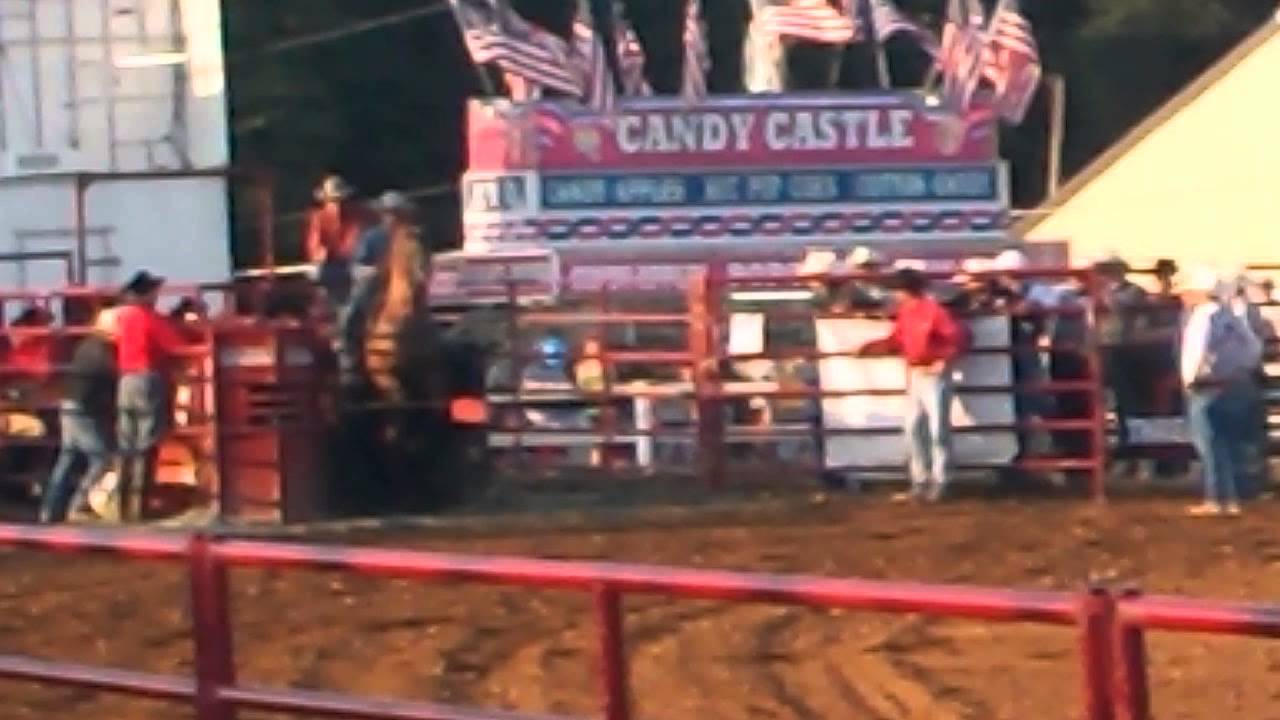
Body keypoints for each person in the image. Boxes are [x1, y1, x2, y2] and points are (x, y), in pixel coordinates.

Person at [859, 268, 970, 502]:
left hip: (927, 371)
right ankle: (927, 480)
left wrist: (943, 360)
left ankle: (932, 480)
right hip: (921, 372)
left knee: (931, 428)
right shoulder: (916, 312)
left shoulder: (930, 312)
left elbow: (957, 337)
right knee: (919, 427)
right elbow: (900, 339)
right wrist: (875, 346)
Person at [1180, 268, 1263, 517]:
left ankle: (1216, 499)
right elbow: (1253, 348)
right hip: (1233, 384)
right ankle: (1229, 498)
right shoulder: (1231, 315)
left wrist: (1192, 379)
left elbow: (1195, 351)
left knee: (1209, 444)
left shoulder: (1202, 316)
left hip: (1208, 387)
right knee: (1226, 443)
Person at [113, 271, 189, 522]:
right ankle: (139, 506)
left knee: (127, 443)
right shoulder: (149, 317)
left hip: (126, 379)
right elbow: (175, 345)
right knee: (147, 443)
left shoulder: (124, 317)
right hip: (147, 379)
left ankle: (122, 504)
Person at [38, 307, 119, 523]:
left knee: (67, 458)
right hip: (84, 408)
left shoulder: (87, 344)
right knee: (101, 458)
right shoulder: (103, 350)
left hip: (71, 403)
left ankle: (49, 510)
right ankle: (77, 505)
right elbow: (113, 376)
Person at [303, 175, 375, 307]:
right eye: (332, 200)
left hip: (353, 264)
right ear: (325, 201)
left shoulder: (358, 216)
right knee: (317, 273)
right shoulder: (318, 217)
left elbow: (358, 245)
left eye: (339, 200)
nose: (337, 204)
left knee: (364, 273)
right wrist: (321, 254)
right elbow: (314, 247)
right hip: (331, 265)